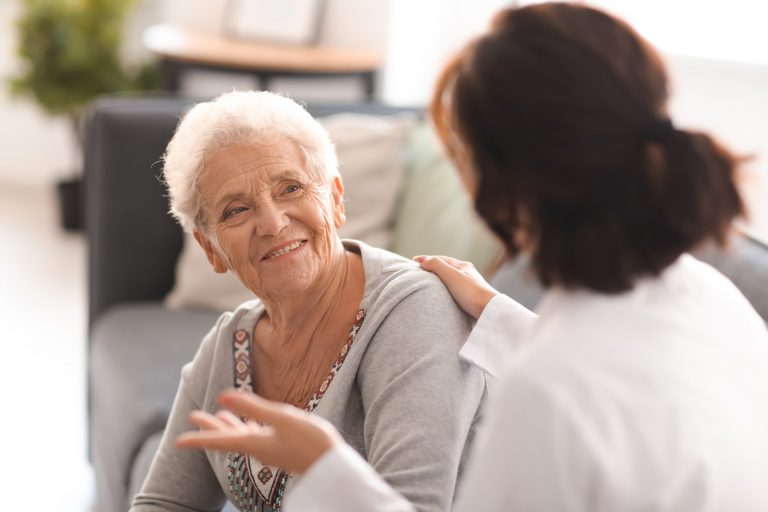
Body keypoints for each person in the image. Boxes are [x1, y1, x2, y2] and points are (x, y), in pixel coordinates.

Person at [175, 4, 768, 511]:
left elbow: (582, 392)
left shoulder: (548, 390)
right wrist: (501, 317)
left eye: (457, 147)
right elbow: (624, 392)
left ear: (497, 182)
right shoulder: (709, 297)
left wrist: (327, 468)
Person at [130, 91, 488, 512]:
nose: (272, 222)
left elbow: (414, 505)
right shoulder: (228, 346)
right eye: (236, 210)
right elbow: (163, 503)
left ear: (336, 200)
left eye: (291, 188)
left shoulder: (414, 310)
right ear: (210, 249)